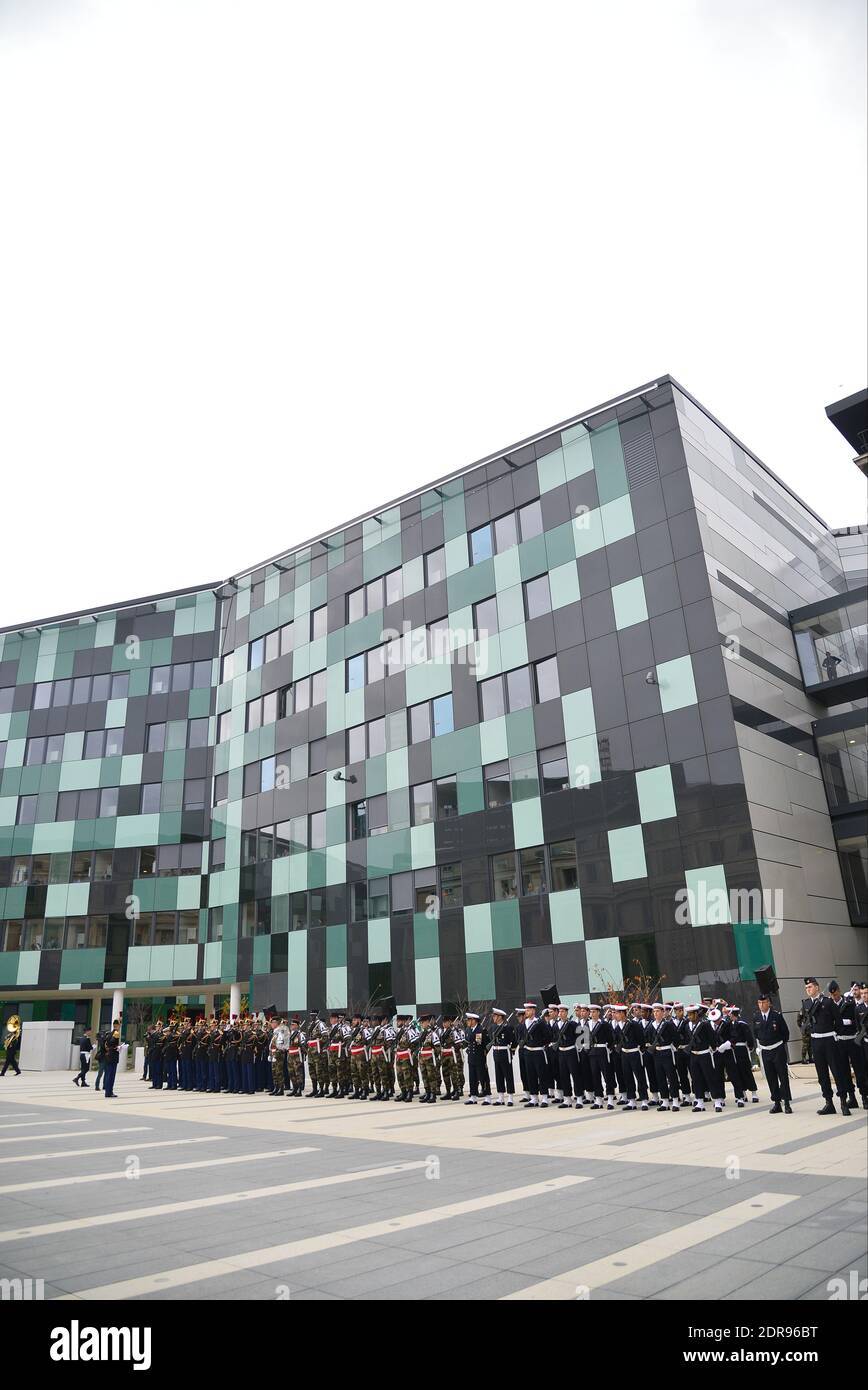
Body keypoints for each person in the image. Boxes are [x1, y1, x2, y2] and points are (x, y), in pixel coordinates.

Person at [804, 977, 852, 1116]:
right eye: (807, 988)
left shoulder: (828, 1002)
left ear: (817, 987)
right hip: (816, 1042)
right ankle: (829, 1103)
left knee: (837, 1072)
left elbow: (838, 1022)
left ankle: (843, 1102)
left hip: (829, 1040)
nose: (808, 990)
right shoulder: (807, 1004)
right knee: (822, 1075)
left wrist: (834, 1035)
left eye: (811, 987)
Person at [830, 982, 867, 1111]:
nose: (834, 996)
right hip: (840, 1042)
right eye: (832, 994)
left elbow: (856, 1021)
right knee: (844, 1072)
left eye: (835, 993)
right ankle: (852, 1097)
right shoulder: (830, 1006)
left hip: (852, 1040)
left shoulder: (850, 1003)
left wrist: (847, 1022)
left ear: (839, 991)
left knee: (859, 1070)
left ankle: (864, 1097)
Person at [753, 992, 792, 1113]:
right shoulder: (756, 1017)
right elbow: (756, 1034)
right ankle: (777, 1103)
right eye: (759, 1002)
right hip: (765, 1051)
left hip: (777, 1050)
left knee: (783, 1077)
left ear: (769, 1003)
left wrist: (778, 1044)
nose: (761, 1005)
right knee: (771, 1078)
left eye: (764, 1002)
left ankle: (786, 1102)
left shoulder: (777, 1016)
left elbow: (785, 1034)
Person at [520, 1002, 551, 1106]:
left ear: (533, 1011)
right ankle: (534, 1097)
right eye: (526, 1010)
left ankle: (545, 1098)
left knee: (541, 1074)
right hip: (528, 1052)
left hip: (538, 1051)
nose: (526, 1012)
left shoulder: (540, 1022)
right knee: (530, 1075)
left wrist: (540, 1043)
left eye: (528, 1010)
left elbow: (548, 1036)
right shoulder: (524, 1023)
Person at [489, 1007, 516, 1105]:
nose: (493, 1017)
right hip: (496, 1052)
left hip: (505, 1052)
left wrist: (511, 1050)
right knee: (498, 1075)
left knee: (508, 1075)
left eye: (495, 1016)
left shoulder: (508, 1027)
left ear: (500, 1017)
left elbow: (514, 1040)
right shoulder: (493, 1027)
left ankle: (510, 1097)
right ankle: (500, 1097)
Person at [102, 1025, 120, 1098]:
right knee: (111, 1076)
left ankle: (107, 1091)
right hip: (113, 1057)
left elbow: (104, 1045)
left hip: (107, 1056)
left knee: (108, 1075)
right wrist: (118, 1047)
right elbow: (114, 1045)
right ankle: (109, 1092)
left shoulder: (108, 1034)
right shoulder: (116, 1034)